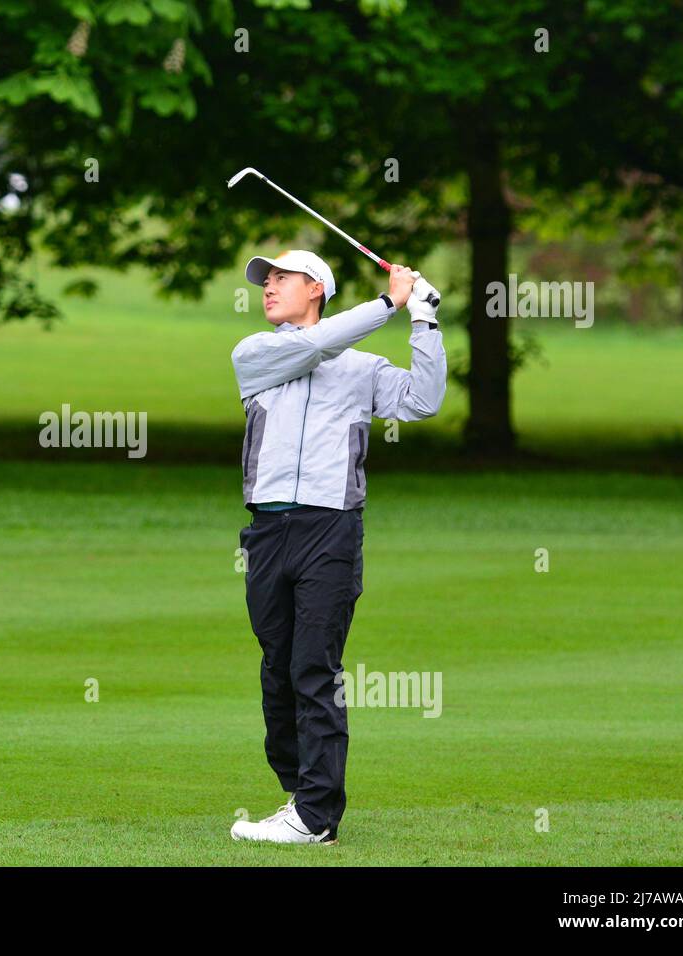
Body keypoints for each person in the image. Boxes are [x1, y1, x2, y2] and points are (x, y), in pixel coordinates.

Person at [227, 249, 446, 844]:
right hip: (268, 532)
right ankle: (300, 796)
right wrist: (389, 302)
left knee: (313, 668)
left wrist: (423, 318)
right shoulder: (257, 354)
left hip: (331, 530)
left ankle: (317, 816)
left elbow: (423, 401)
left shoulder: (364, 369)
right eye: (264, 280)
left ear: (317, 288)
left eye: (280, 278)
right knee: (277, 668)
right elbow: (314, 347)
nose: (267, 288)